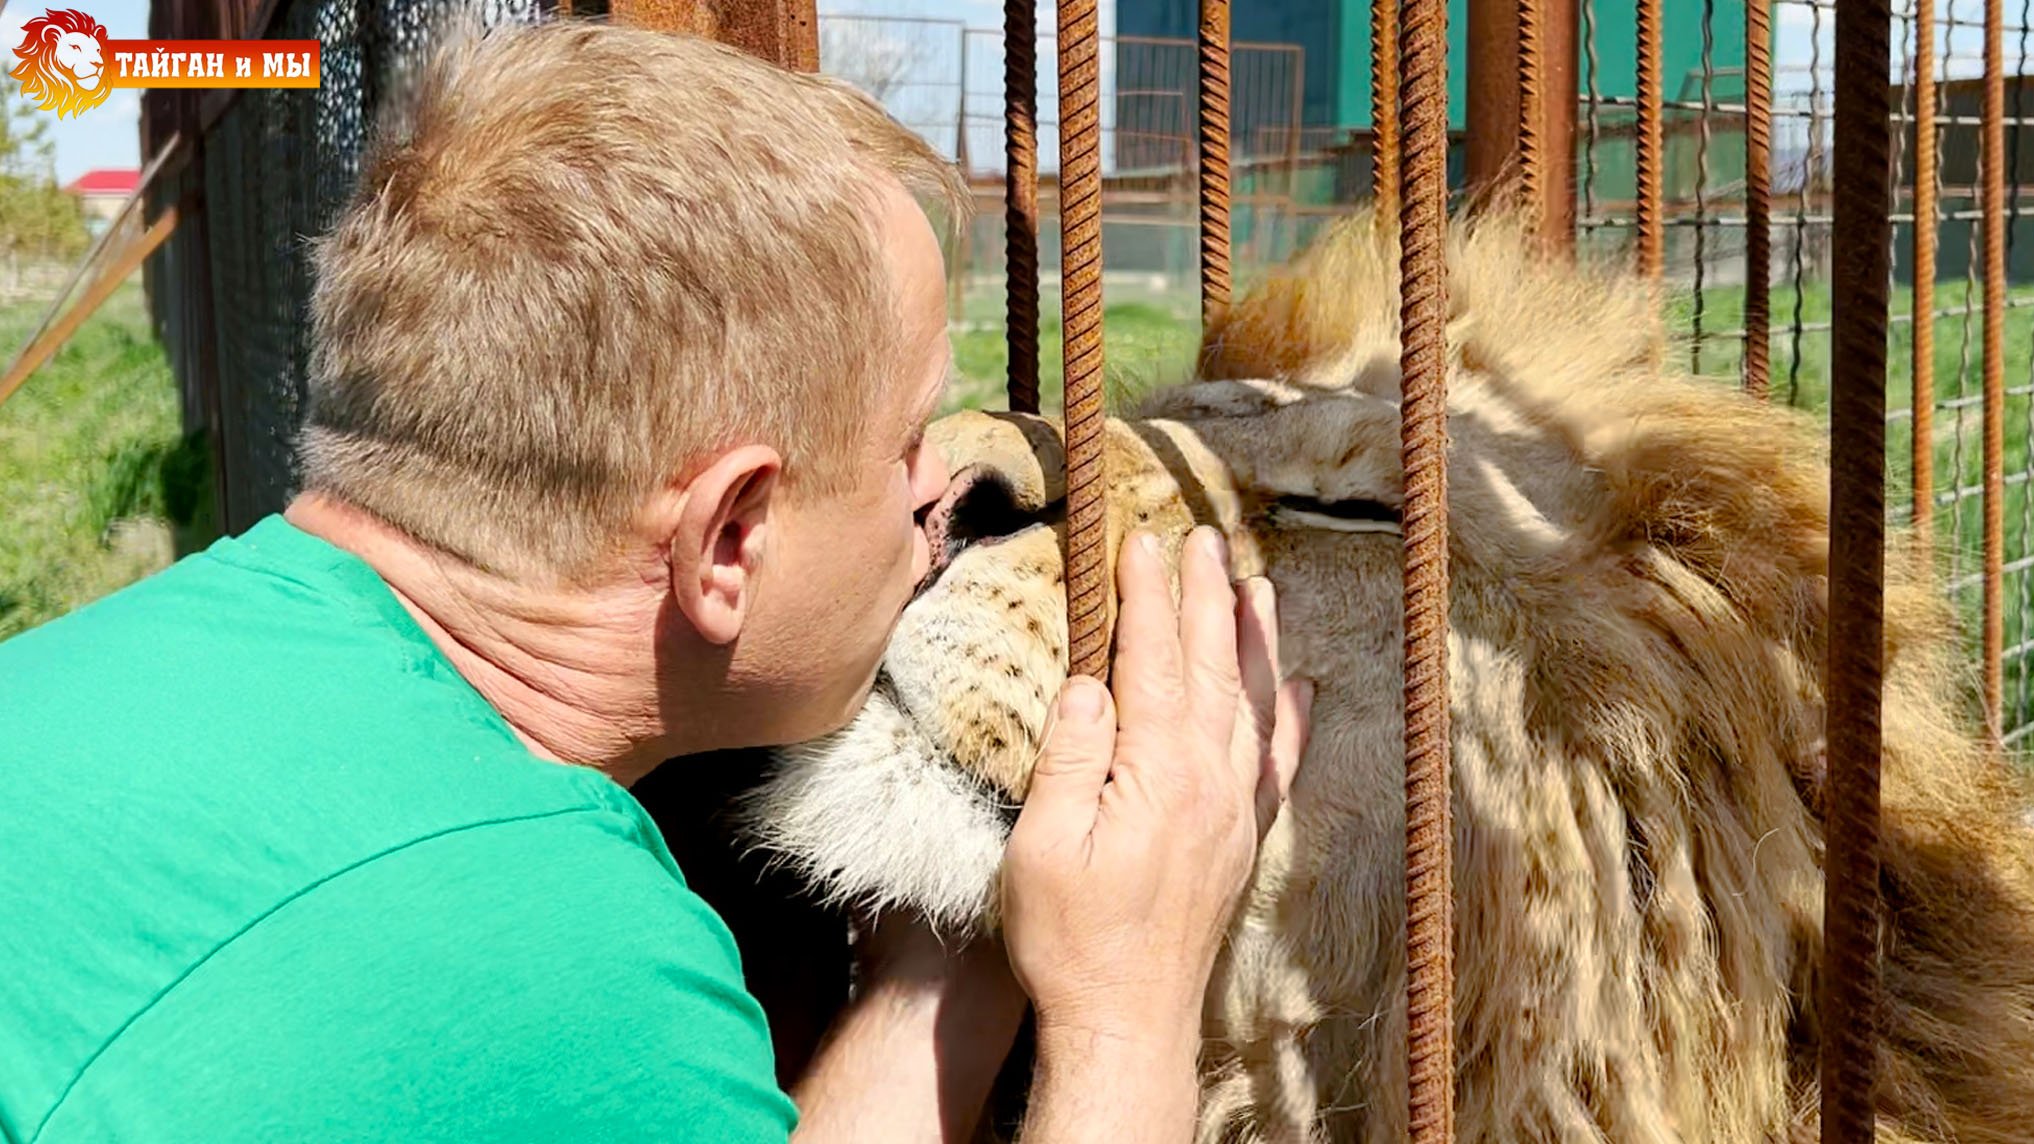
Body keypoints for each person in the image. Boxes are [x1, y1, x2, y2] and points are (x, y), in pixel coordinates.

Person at [0, 17, 1310, 1144]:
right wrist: (1125, 1010)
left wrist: (949, 967)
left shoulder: (119, 658)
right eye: (906, 441)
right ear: (727, 539)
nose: (948, 480)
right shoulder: (564, 971)